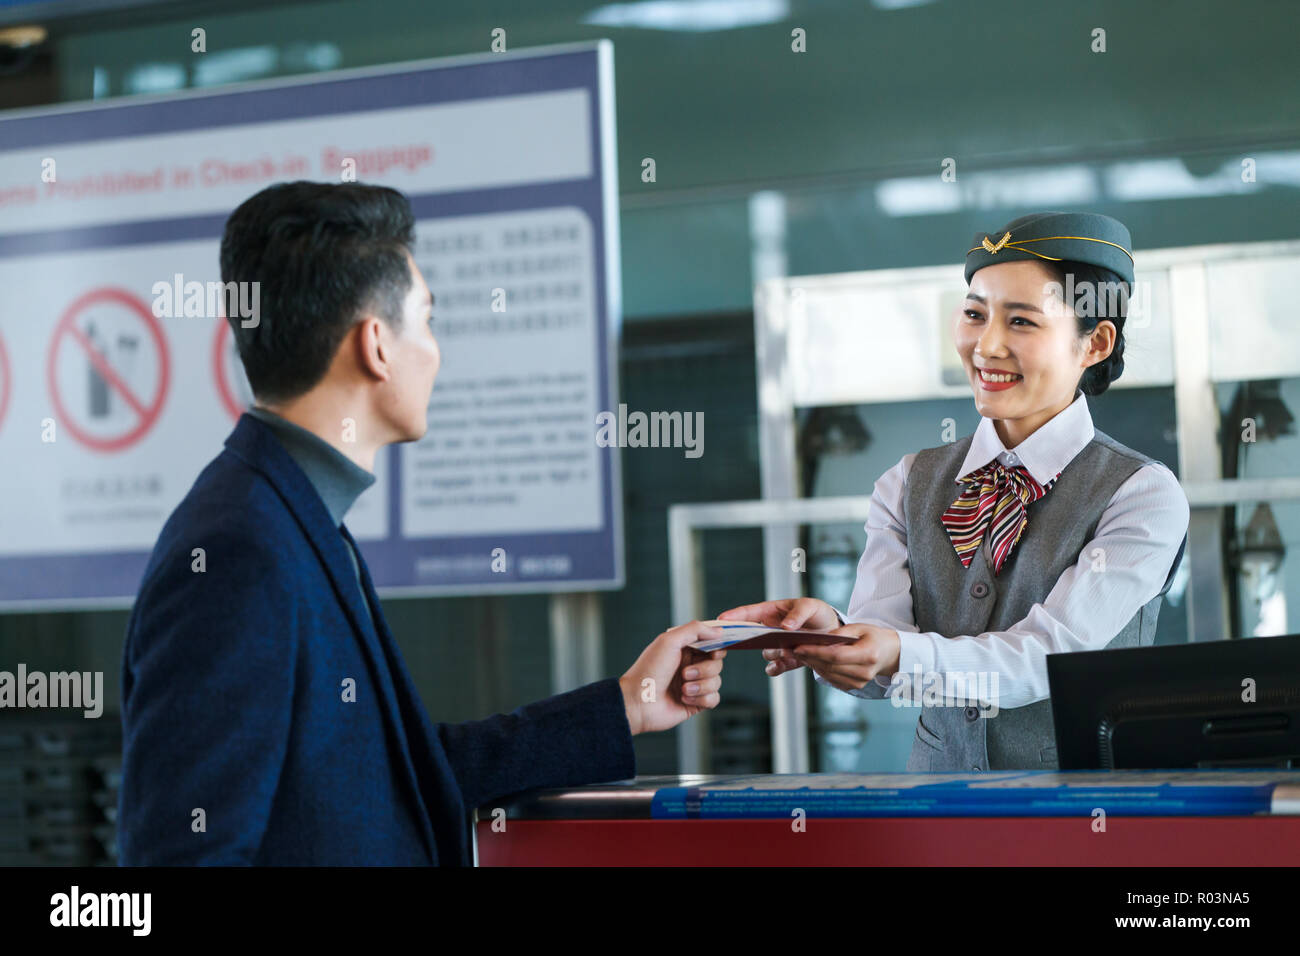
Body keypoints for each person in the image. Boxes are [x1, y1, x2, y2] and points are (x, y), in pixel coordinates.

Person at [117, 181, 726, 865]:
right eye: (427, 320)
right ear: (376, 345)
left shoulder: (296, 520)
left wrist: (625, 706)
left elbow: (391, 780)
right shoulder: (239, 551)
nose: (436, 350)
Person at [721, 211, 1189, 772]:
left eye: (1021, 322)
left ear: (1094, 343)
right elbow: (888, 669)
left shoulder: (1140, 494)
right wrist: (839, 640)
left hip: (1085, 821)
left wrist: (894, 654)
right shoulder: (906, 482)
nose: (986, 346)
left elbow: (1048, 658)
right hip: (937, 821)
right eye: (974, 314)